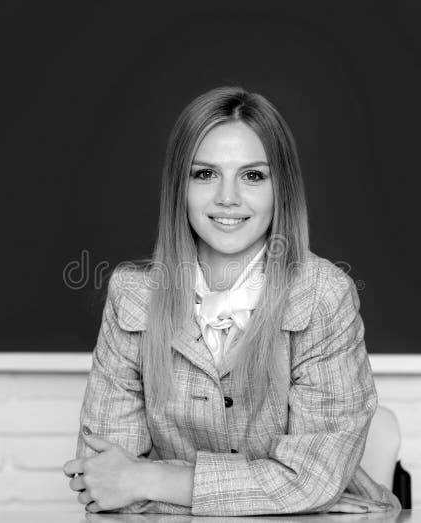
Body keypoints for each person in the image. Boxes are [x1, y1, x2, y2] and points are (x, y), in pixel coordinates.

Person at [62, 86, 401, 516]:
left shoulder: (324, 296)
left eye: (252, 175)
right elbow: (105, 480)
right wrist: (281, 494)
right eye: (205, 174)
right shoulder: (132, 295)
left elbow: (313, 479)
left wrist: (150, 479)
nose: (227, 198)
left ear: (283, 189)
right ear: (178, 188)